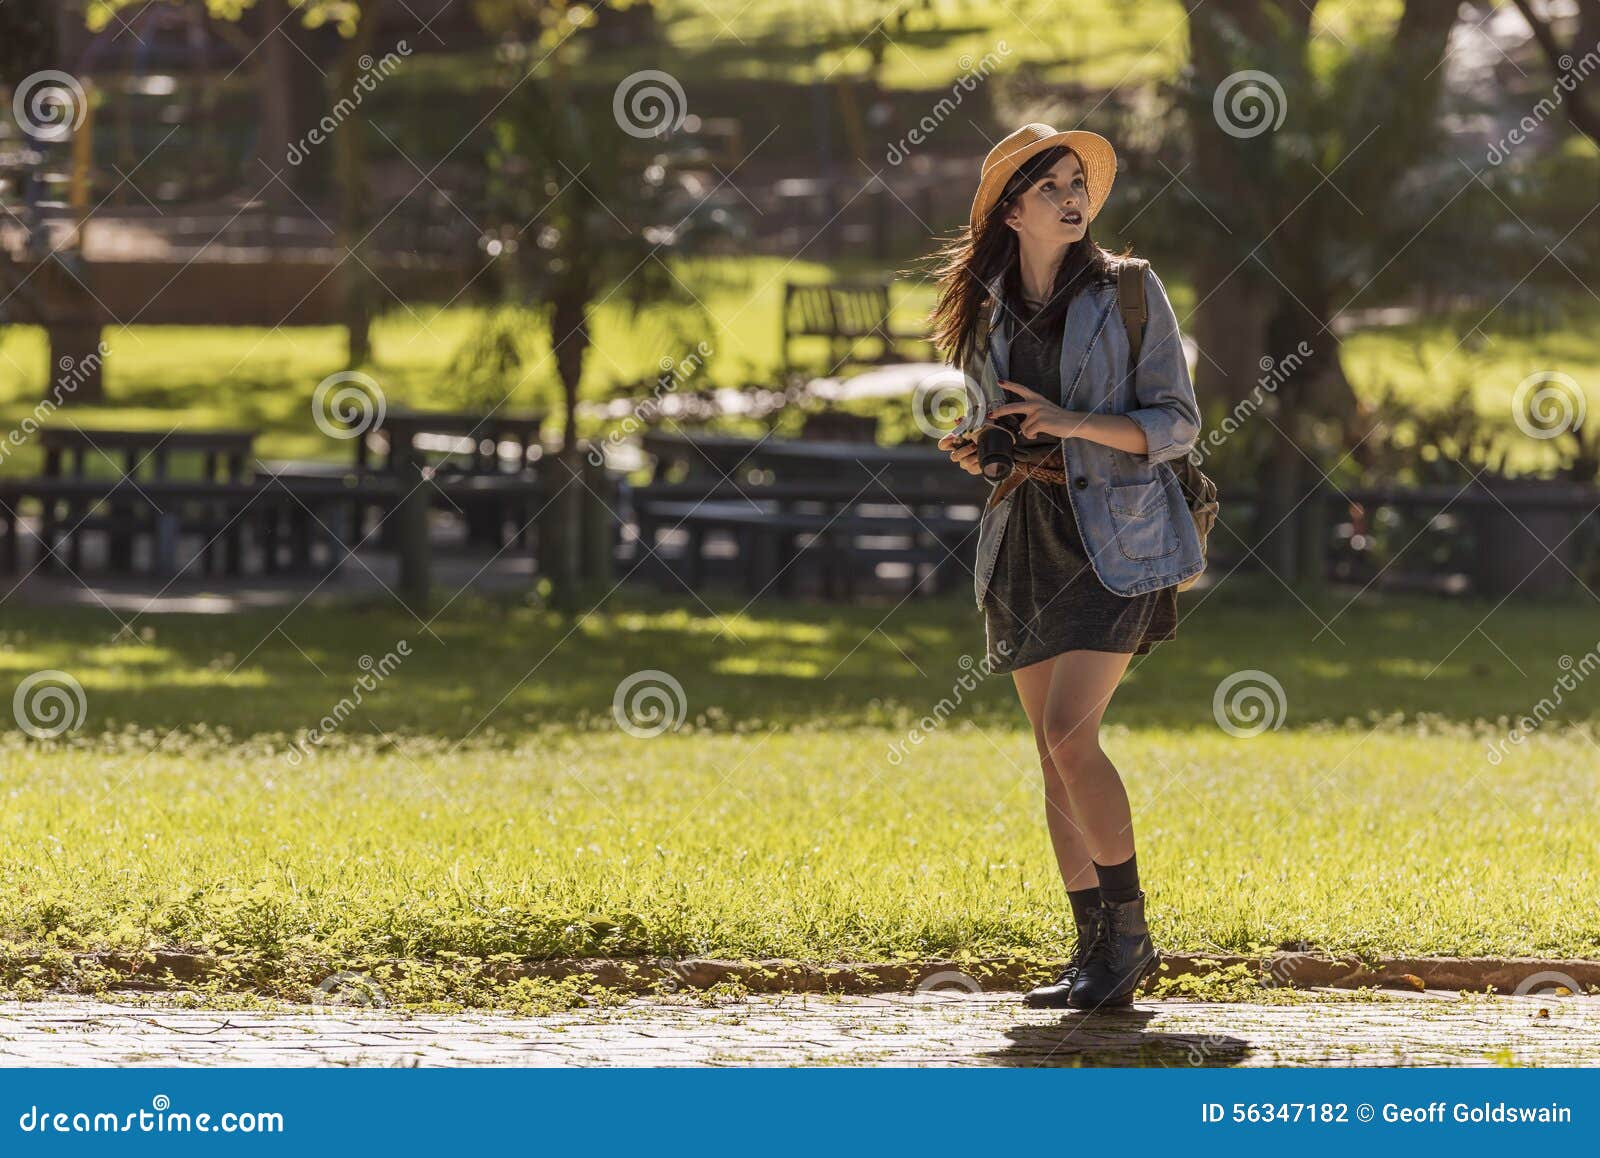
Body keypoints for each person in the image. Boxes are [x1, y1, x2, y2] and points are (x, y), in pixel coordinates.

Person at [926, 124, 1205, 1010]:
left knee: (1070, 738)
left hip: (1116, 536)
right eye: (1050, 185)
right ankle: (1093, 952)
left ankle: (1130, 933)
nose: (1071, 195)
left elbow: (1176, 423)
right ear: (1012, 210)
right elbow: (1002, 417)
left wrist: (1072, 421)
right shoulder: (986, 302)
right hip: (1023, 537)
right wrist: (985, 449)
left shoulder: (1129, 289)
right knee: (1050, 759)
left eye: (1077, 180)